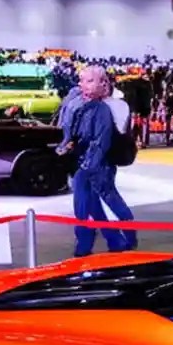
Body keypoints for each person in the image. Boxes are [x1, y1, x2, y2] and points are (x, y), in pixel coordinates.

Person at [61, 67, 132, 257]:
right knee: (90, 205)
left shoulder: (112, 106)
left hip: (101, 164)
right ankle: (110, 241)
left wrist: (88, 167)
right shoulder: (79, 103)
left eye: (89, 81)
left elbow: (105, 139)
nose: (82, 84)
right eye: (82, 80)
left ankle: (127, 237)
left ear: (104, 83)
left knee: (107, 201)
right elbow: (68, 130)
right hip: (85, 161)